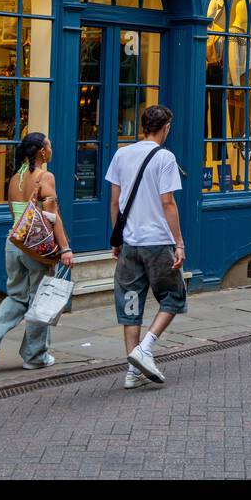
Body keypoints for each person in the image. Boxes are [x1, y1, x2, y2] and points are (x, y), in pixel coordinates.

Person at [0, 132, 75, 370]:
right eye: (49, 145)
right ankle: (35, 356)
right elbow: (52, 216)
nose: (51, 149)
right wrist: (65, 248)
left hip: (14, 242)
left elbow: (15, 216)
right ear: (42, 150)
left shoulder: (14, 178)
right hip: (35, 248)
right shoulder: (45, 176)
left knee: (17, 296)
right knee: (39, 300)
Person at [106, 104, 187, 389]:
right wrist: (179, 243)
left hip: (130, 243)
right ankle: (145, 348)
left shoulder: (121, 154)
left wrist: (118, 238)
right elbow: (168, 202)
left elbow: (115, 202)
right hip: (157, 242)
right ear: (165, 128)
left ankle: (132, 372)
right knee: (174, 296)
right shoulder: (165, 157)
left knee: (131, 303)